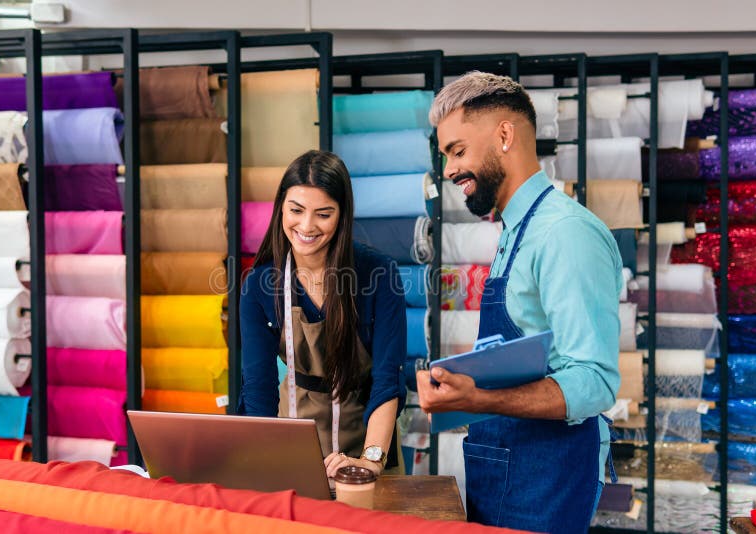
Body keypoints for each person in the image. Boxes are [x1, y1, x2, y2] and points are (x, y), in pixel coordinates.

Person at [417, 72, 622, 533]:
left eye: (458, 150)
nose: (449, 170)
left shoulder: (564, 234)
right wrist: (462, 389)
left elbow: (594, 382)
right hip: (506, 472)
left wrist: (480, 396)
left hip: (544, 482)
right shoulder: (516, 229)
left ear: (504, 135)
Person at [238, 149, 406, 477]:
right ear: (280, 209)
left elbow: (388, 379)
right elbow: (258, 388)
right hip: (294, 436)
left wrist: (370, 461)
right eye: (296, 210)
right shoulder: (259, 285)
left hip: (369, 431)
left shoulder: (379, 275)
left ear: (342, 215)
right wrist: (261, 463)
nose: (306, 226)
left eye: (323, 214)